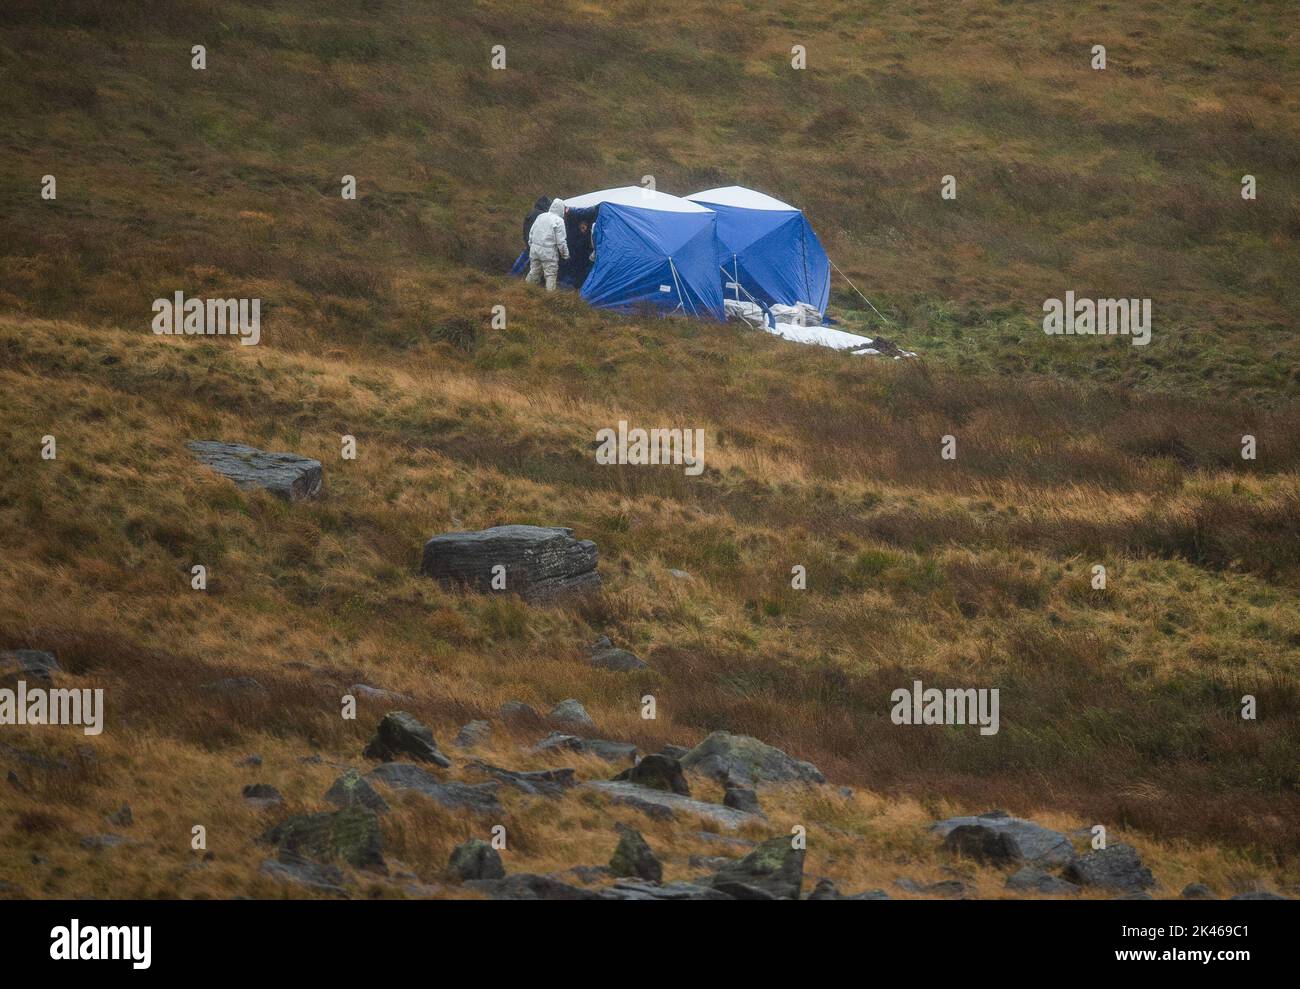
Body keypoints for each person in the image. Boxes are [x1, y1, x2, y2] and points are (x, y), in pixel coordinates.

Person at [526, 198, 568, 291]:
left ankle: (526, 290)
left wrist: (531, 244)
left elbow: (531, 232)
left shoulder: (541, 216)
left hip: (534, 249)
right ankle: (550, 296)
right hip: (548, 252)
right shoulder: (559, 221)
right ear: (561, 209)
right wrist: (565, 255)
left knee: (534, 271)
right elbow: (561, 241)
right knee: (550, 275)